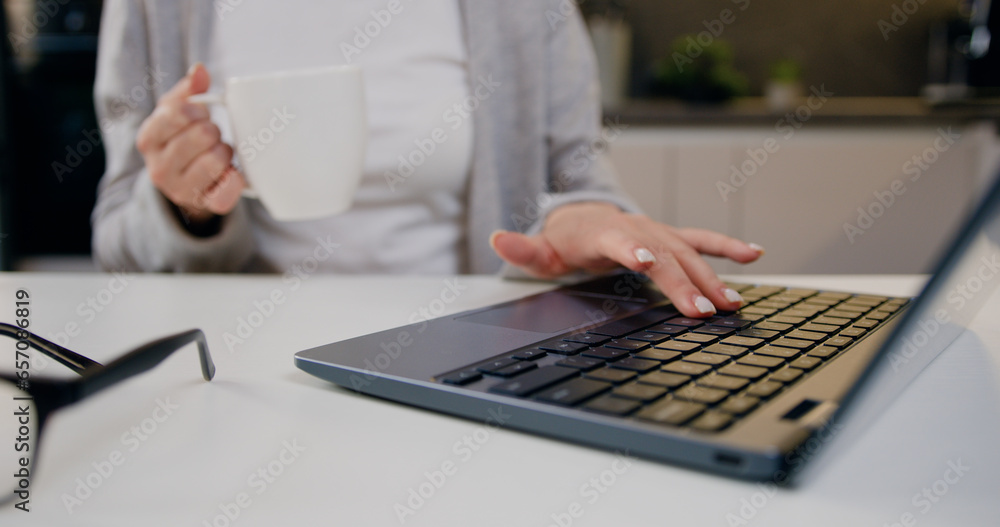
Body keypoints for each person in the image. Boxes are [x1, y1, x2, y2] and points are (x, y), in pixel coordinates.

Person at [91, 0, 763, 318]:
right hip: (240, 363)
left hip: (473, 357)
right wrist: (184, 209)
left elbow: (579, 178)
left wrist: (587, 219)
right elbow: (116, 242)